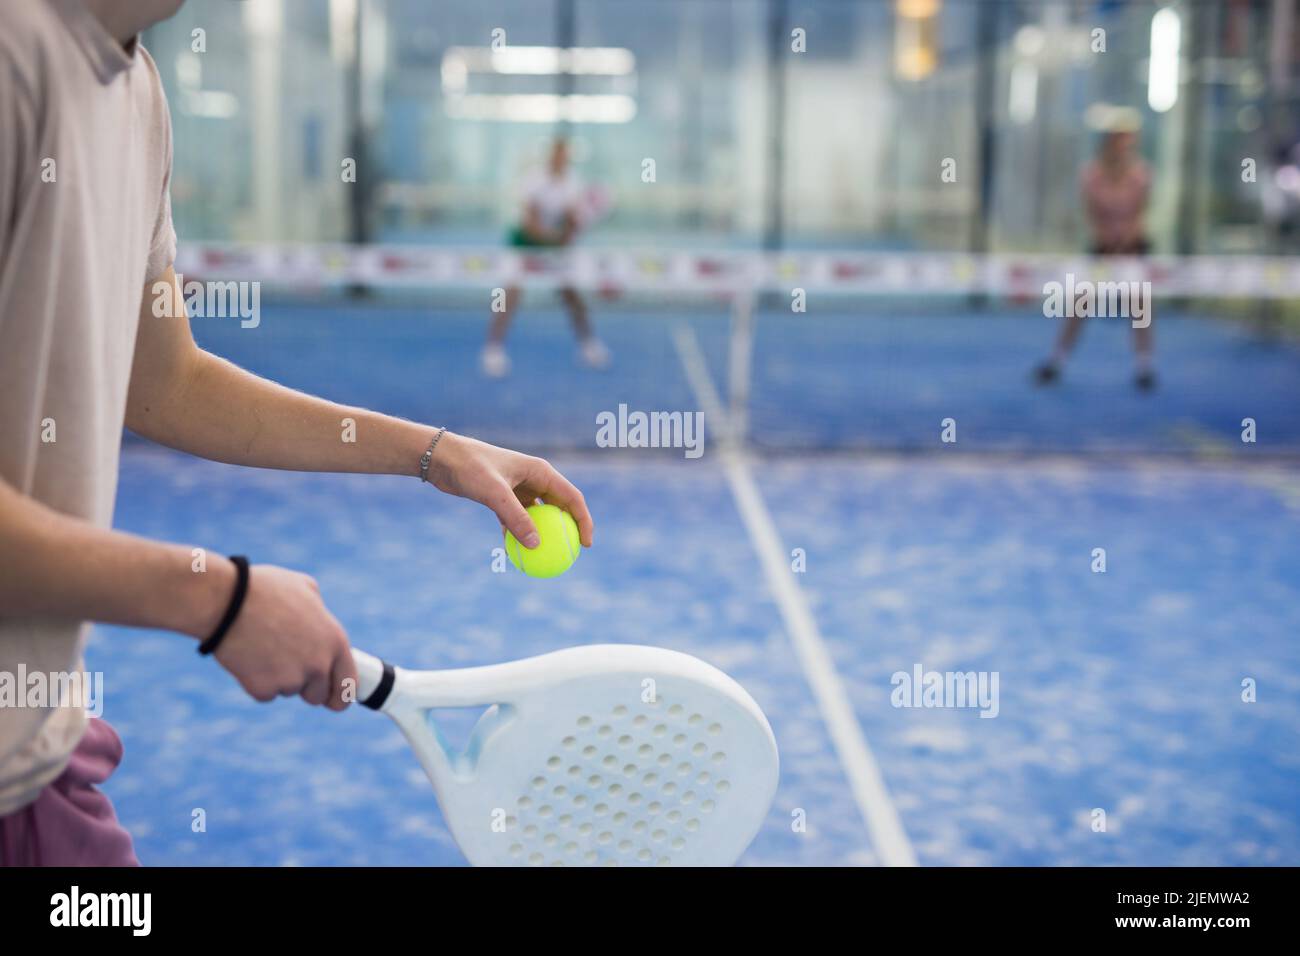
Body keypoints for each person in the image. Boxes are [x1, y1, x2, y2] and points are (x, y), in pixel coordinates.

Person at [0, 0, 594, 866]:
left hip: (34, 764)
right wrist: (218, 598)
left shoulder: (138, 96)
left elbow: (167, 381)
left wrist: (435, 454)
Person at [1033, 110, 1156, 391]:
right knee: (1080, 304)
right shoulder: (1091, 174)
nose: (1124, 144)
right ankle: (1057, 361)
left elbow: (1140, 214)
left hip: (1131, 250)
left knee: (1141, 306)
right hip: (1101, 249)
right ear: (1108, 141)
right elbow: (1091, 214)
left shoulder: (1141, 174)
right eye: (1119, 139)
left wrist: (1126, 242)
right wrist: (1106, 242)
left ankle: (1145, 366)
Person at [481, 138, 611, 378]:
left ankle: (589, 345)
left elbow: (572, 219)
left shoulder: (573, 182)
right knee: (509, 294)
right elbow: (530, 223)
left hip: (554, 247)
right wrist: (555, 237)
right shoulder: (534, 180)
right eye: (557, 154)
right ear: (551, 156)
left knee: (570, 293)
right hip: (524, 244)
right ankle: (493, 350)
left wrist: (569, 232)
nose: (561, 159)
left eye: (565, 156)